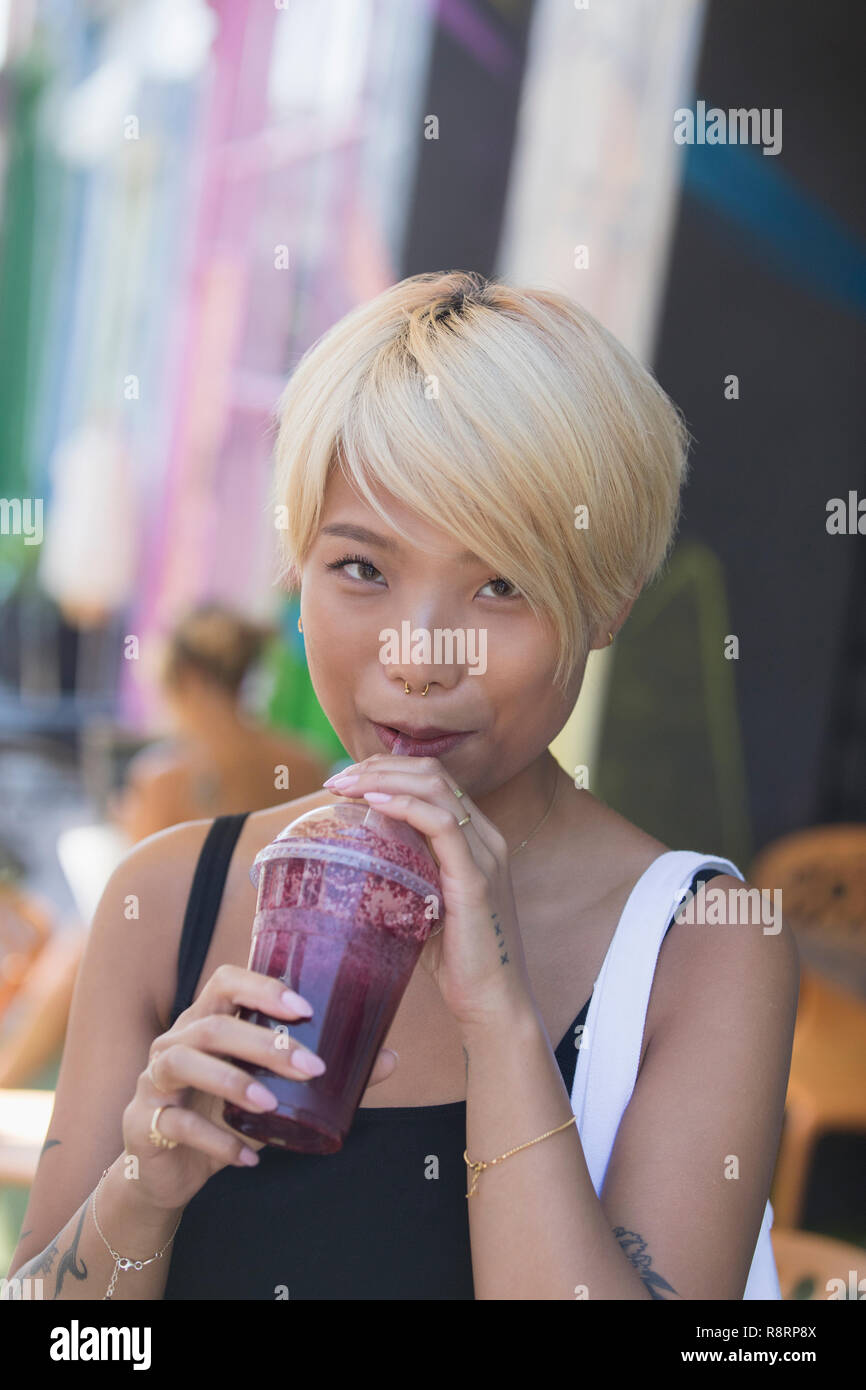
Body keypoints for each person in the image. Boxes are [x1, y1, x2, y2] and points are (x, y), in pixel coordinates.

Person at [7, 271, 798, 1300]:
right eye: (361, 570)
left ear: (608, 600)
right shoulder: (164, 896)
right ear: (296, 571)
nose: (419, 655)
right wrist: (140, 1191)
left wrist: (500, 1022)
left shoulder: (703, 945)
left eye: (501, 582)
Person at [110, 604, 330, 841]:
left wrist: (132, 825)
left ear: (190, 681)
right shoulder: (306, 764)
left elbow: (145, 872)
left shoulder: (162, 780)